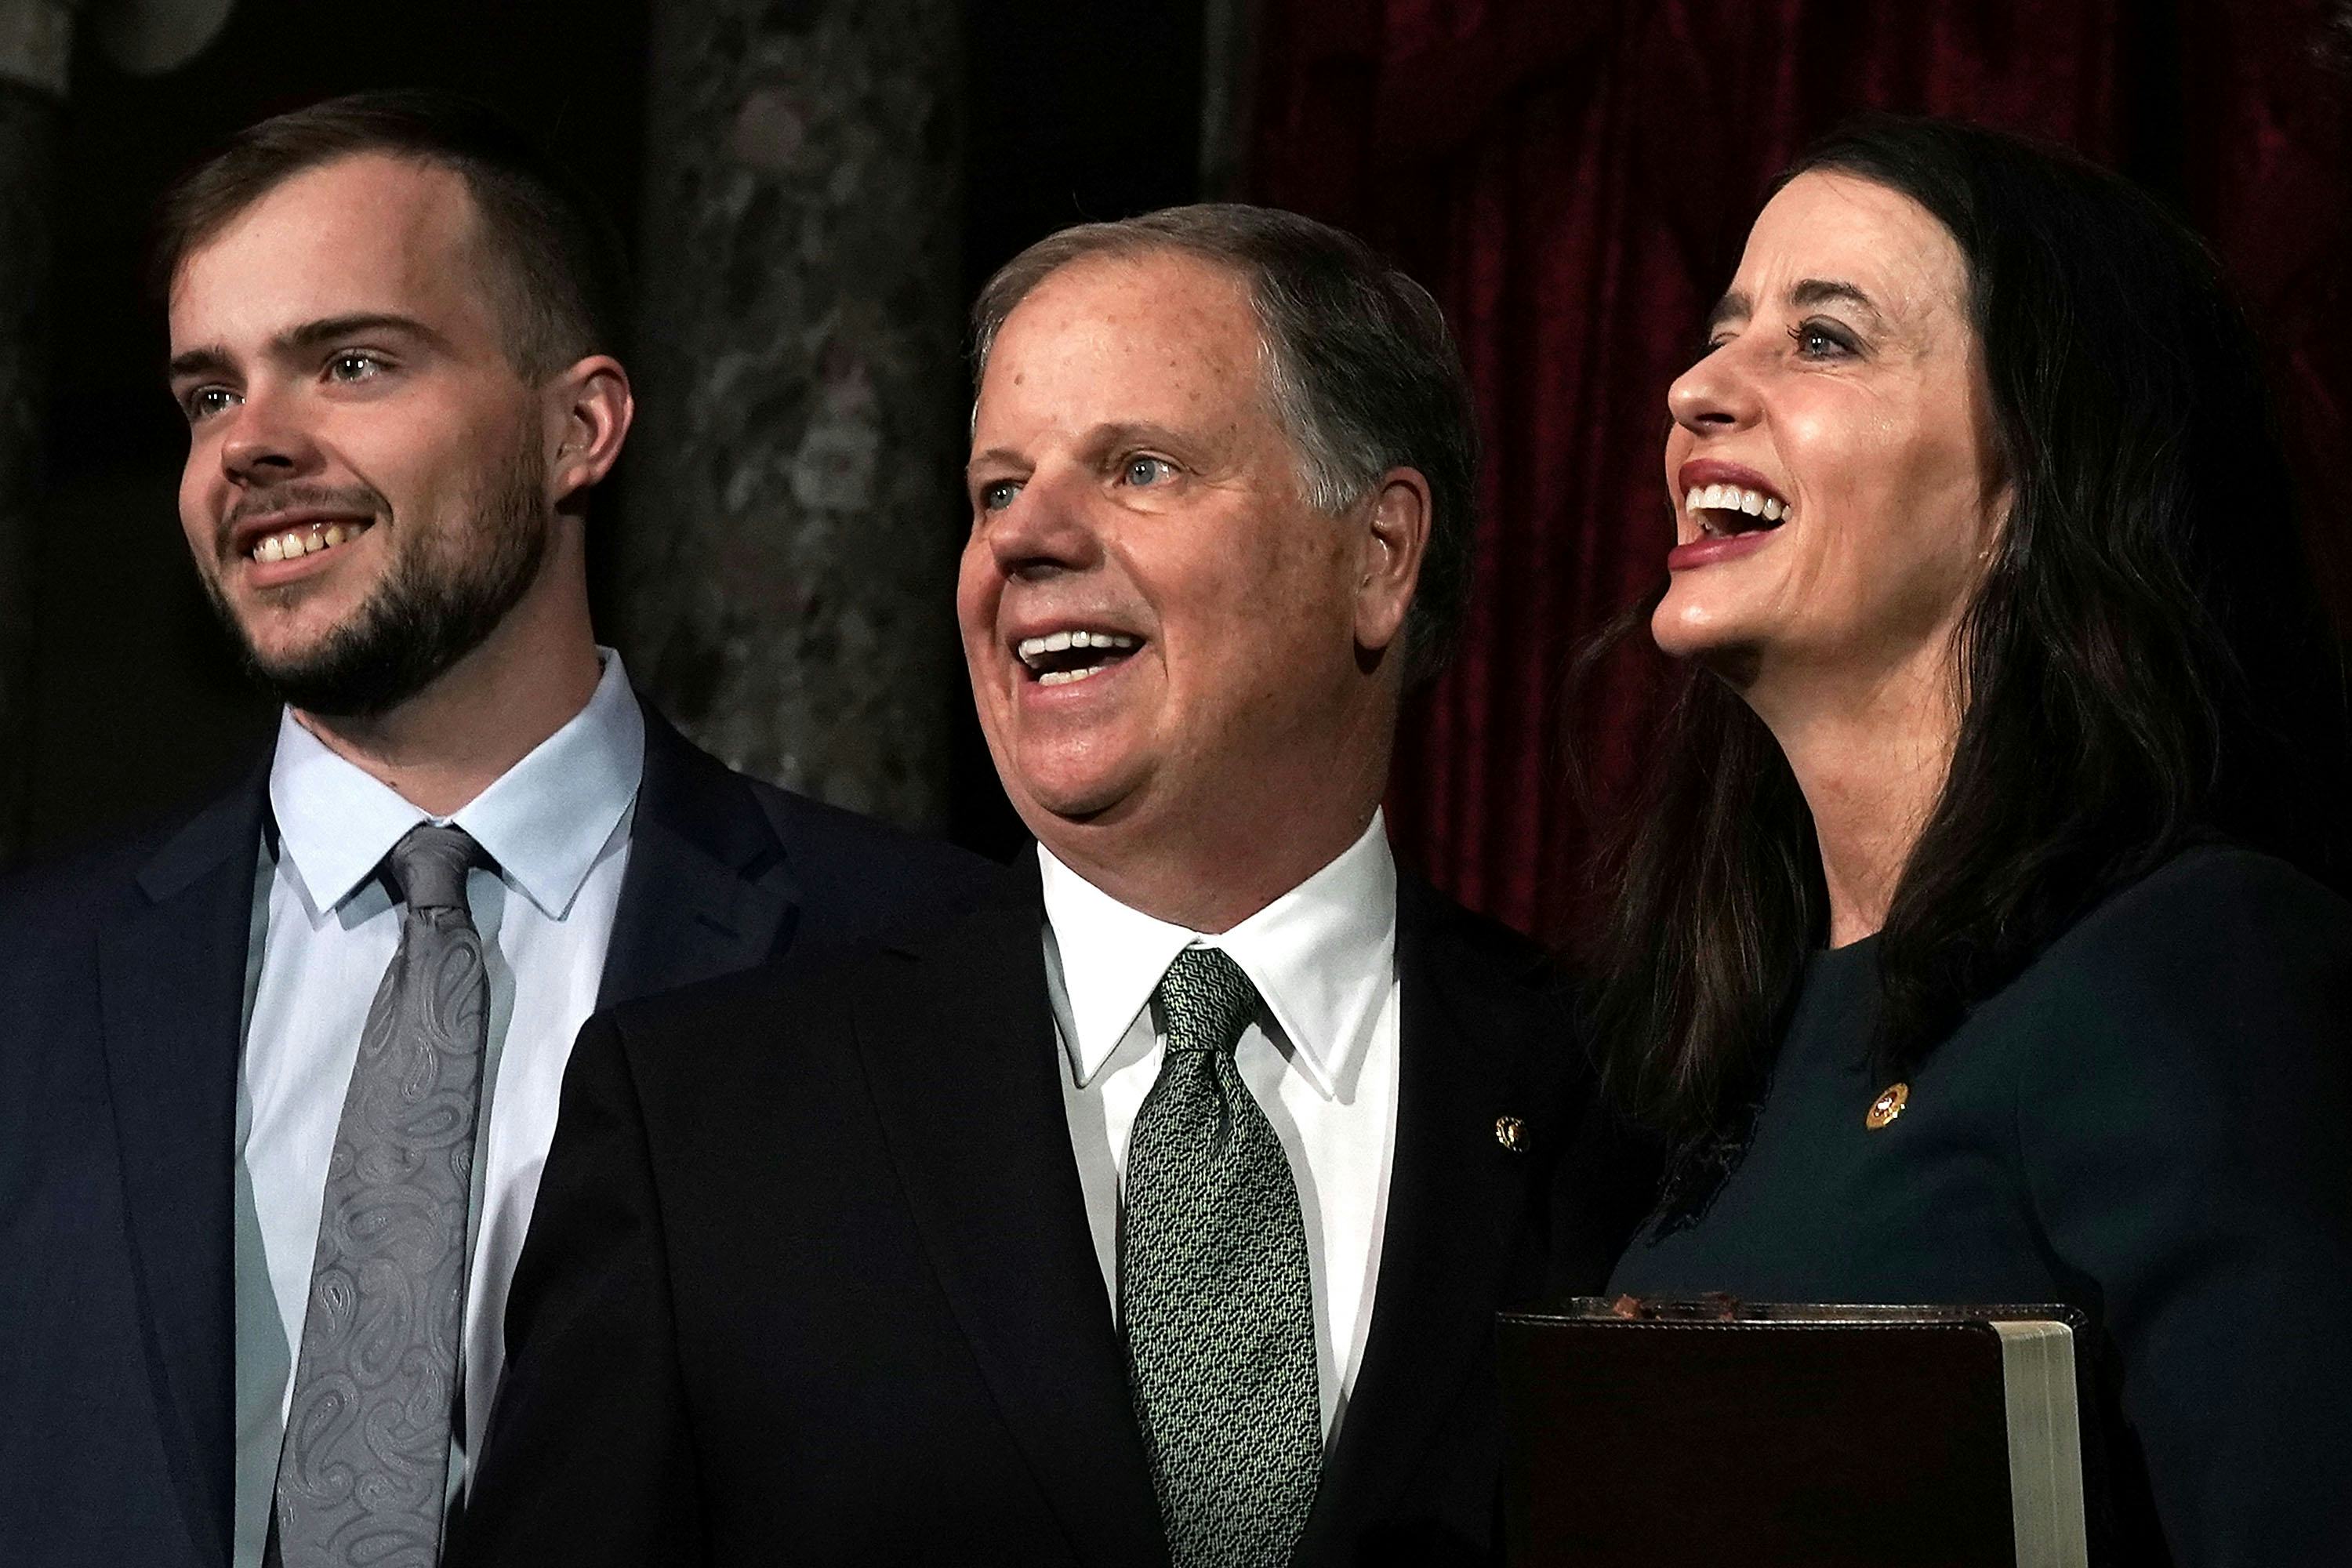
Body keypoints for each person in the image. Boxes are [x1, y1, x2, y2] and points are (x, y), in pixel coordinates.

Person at [453, 203, 1642, 1567]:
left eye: (1139, 468)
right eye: (998, 491)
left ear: (1377, 554)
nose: (1026, 541)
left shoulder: (1627, 1097)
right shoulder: (706, 1126)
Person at [0, 92, 997, 1568]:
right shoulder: (28, 986)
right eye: (209, 395)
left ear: (576, 429)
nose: (249, 444)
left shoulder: (924, 964)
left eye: (350, 363)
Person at [1593, 115, 2352, 1564]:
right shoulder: (1718, 1044)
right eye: (1722, 333)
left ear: (2035, 479)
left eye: (1824, 341)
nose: (1695, 391)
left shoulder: (2194, 970)